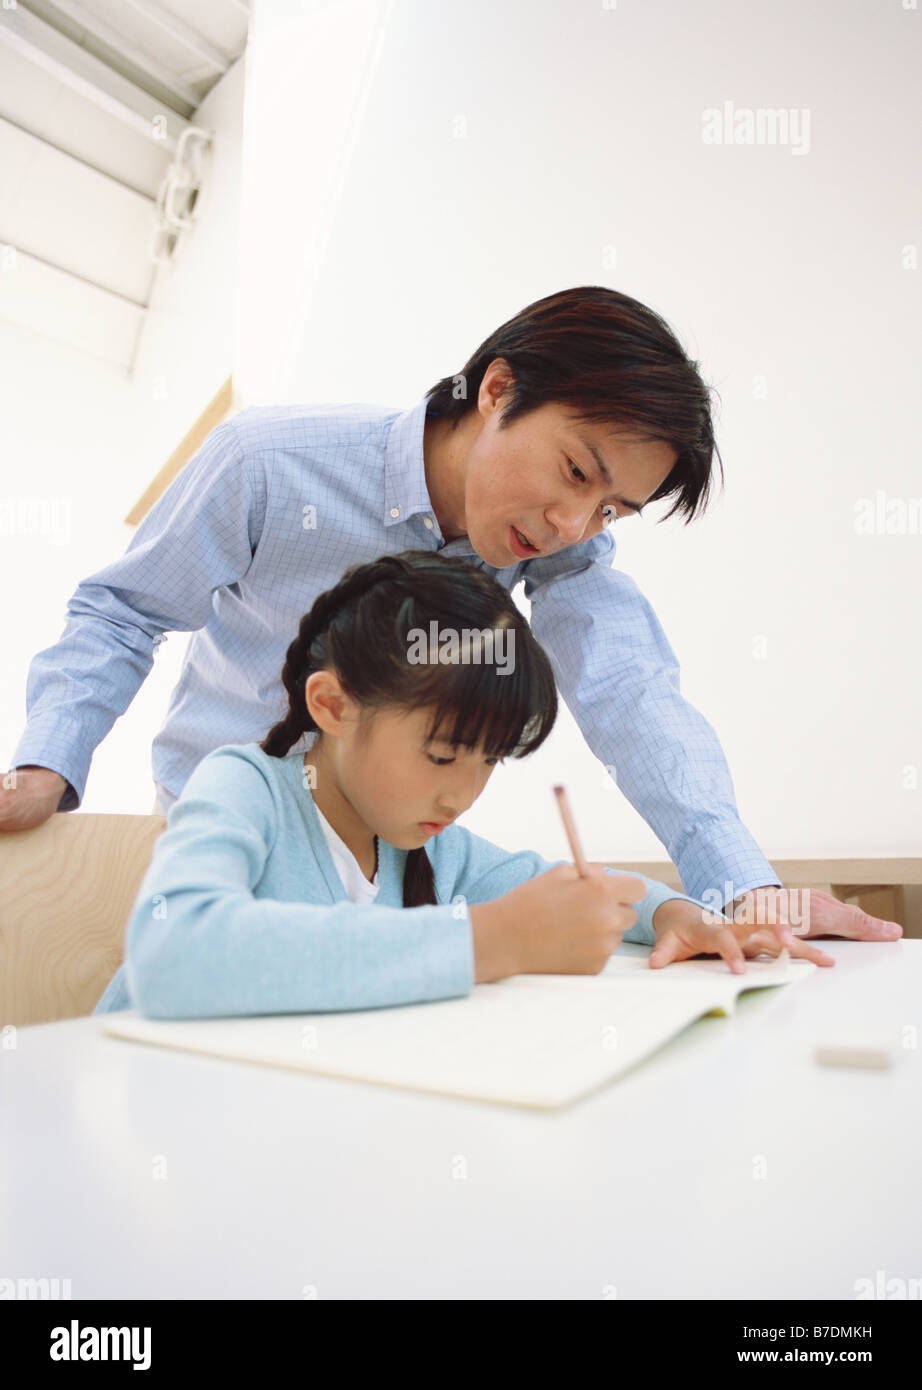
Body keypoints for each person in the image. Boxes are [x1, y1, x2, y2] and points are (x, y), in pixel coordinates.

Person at [2, 285, 899, 942]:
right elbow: (121, 610)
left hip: (382, 854)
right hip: (221, 825)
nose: (571, 526)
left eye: (612, 511)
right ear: (499, 389)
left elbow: (631, 690)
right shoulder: (268, 464)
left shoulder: (562, 547)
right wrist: (49, 762)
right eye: (578, 473)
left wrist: (743, 890)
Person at [92, 552, 833, 1018]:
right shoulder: (243, 788)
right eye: (444, 755)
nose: (463, 794)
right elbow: (172, 953)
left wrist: (676, 913)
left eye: (489, 761)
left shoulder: (429, 847)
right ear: (332, 705)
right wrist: (490, 939)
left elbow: (568, 882)